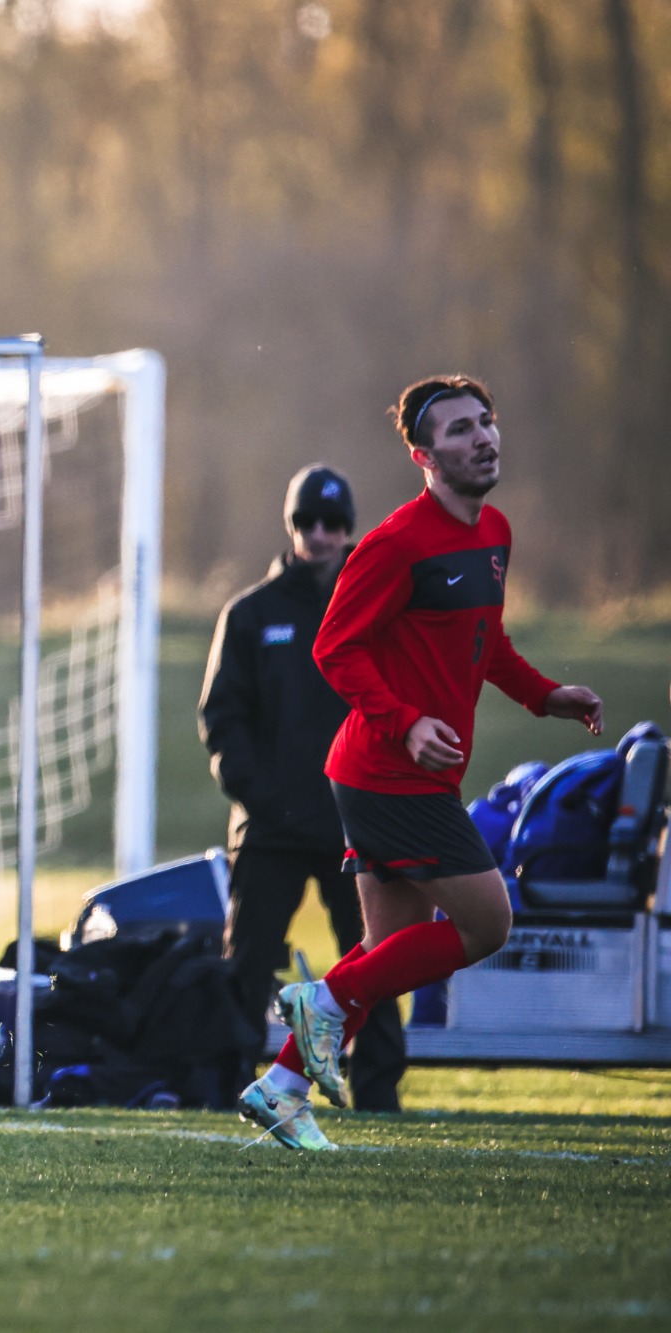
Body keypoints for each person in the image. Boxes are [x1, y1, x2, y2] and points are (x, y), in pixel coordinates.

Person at [239, 377, 603, 1150]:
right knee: (487, 922)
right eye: (460, 430)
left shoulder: (494, 532)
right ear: (423, 454)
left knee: (389, 951)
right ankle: (322, 999)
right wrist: (405, 724)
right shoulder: (398, 541)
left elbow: (487, 643)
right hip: (382, 772)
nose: (482, 437)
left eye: (486, 422)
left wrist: (545, 696)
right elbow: (334, 646)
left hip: (412, 773)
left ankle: (280, 1086)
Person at [200, 464, 406, 1112]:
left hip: (357, 822)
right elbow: (221, 719)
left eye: (334, 522)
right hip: (270, 826)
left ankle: (378, 1091)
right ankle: (230, 1081)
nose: (320, 535)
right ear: (290, 527)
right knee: (246, 964)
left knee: (376, 959)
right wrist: (264, 797)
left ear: (351, 529)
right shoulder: (251, 614)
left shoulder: (375, 611)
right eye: (307, 522)